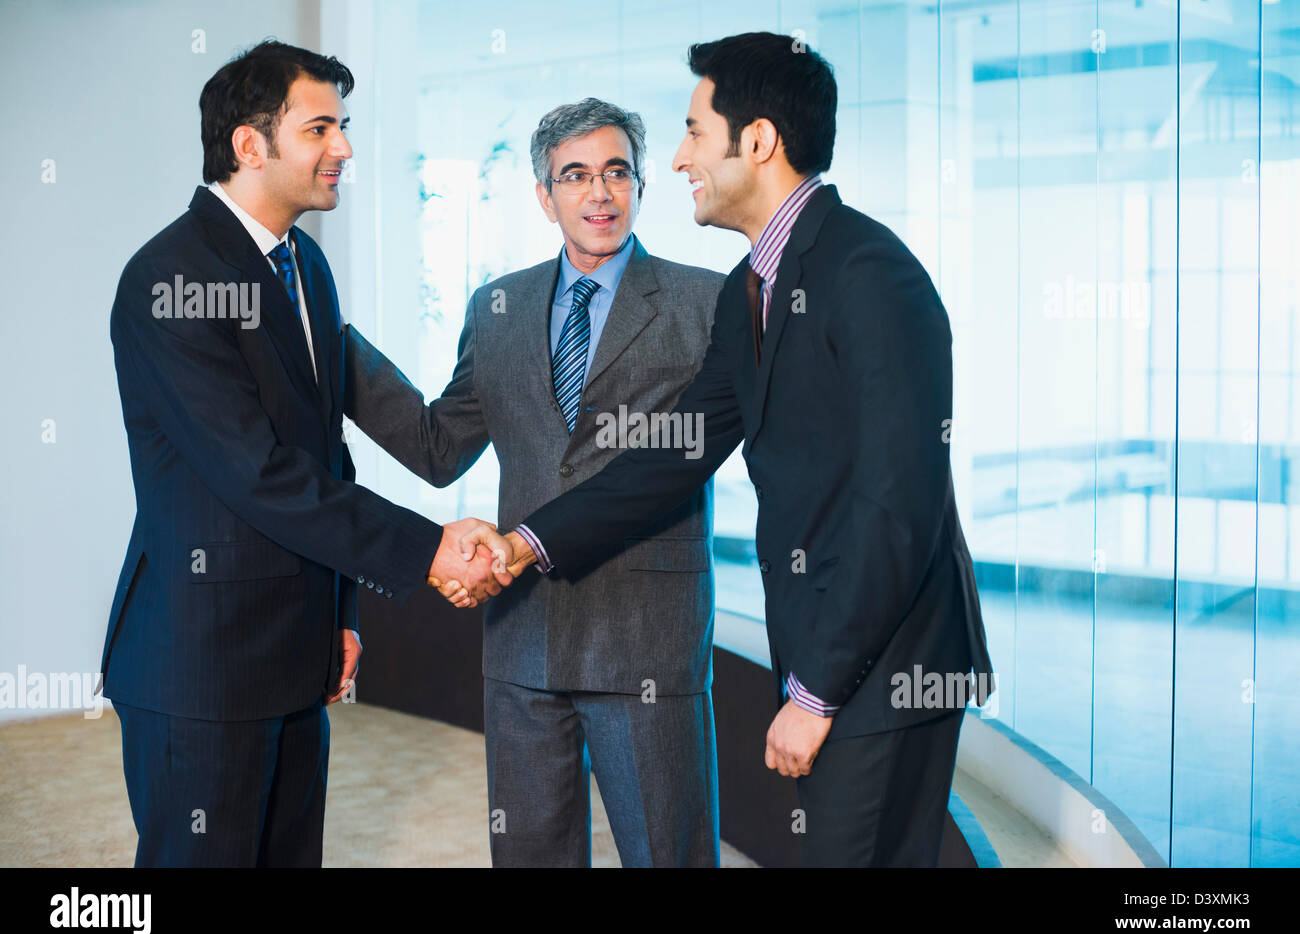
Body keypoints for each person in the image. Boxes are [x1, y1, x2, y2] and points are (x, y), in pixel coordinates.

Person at [458, 32, 995, 866]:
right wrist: (528, 542)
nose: (677, 160)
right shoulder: (756, 287)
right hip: (839, 660)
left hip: (890, 667)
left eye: (694, 132)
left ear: (759, 141)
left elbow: (900, 504)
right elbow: (669, 456)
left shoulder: (868, 271)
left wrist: (816, 693)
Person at [101, 40, 504, 867]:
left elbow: (326, 453)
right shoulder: (168, 277)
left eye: (343, 126)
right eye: (321, 127)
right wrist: (428, 547)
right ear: (251, 145)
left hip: (296, 656)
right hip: (203, 668)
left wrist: (341, 614)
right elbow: (261, 474)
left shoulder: (305, 265)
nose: (344, 148)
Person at [343, 98, 726, 866]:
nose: (600, 194)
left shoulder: (706, 302)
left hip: (643, 638)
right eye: (576, 176)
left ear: (641, 184)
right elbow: (438, 446)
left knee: (669, 855)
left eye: (617, 172)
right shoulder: (498, 307)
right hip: (522, 638)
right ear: (543, 196)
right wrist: (329, 347)